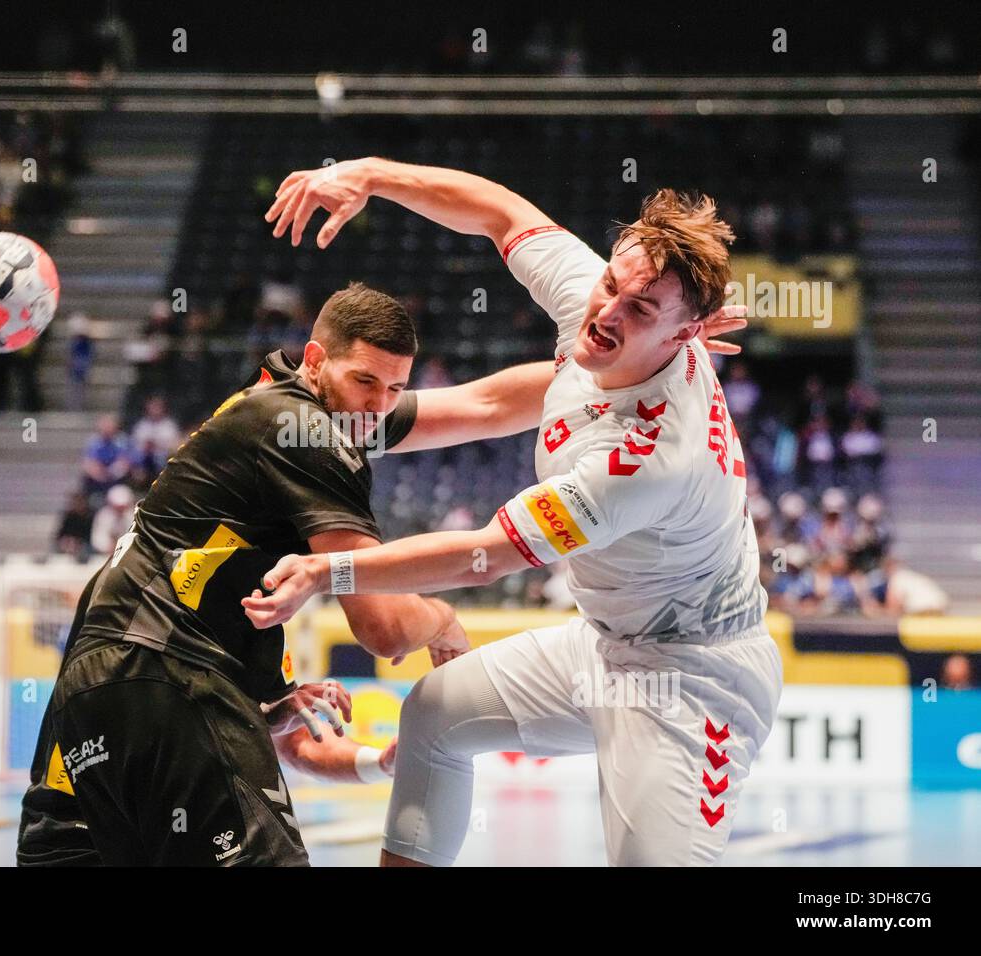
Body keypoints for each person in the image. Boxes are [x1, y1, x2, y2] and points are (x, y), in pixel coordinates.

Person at [248, 156, 774, 867]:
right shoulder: (605, 302)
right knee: (433, 715)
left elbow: (484, 555)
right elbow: (499, 211)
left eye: (640, 311)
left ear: (687, 335)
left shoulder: (648, 457)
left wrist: (326, 572)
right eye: (612, 285)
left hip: (692, 677)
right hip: (605, 641)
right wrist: (369, 174)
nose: (606, 313)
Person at [17, 281, 580, 867]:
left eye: (395, 389)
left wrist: (606, 374)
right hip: (169, 677)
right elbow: (384, 628)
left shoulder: (273, 425)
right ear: (316, 360)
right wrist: (443, 621)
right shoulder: (312, 433)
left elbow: (483, 406)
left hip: (92, 696)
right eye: (364, 381)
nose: (378, 405)